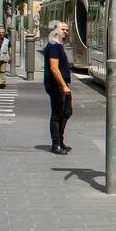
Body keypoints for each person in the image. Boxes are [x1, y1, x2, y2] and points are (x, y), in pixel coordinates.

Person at [43, 20, 73, 154]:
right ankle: (56, 144)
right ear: (55, 30)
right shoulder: (54, 46)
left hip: (61, 84)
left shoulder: (58, 45)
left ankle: (60, 141)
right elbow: (54, 68)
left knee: (66, 112)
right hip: (56, 85)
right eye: (63, 29)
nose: (65, 32)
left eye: (66, 30)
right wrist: (63, 85)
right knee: (57, 114)